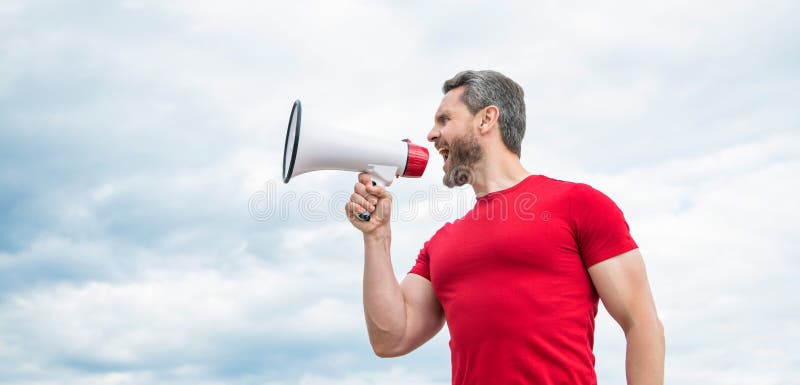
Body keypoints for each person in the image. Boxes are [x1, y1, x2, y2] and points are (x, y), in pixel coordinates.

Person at [345, 70, 664, 385]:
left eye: (444, 120)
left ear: (486, 119)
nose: (430, 134)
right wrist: (376, 237)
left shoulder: (580, 204)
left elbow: (641, 323)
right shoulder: (439, 245)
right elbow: (390, 338)